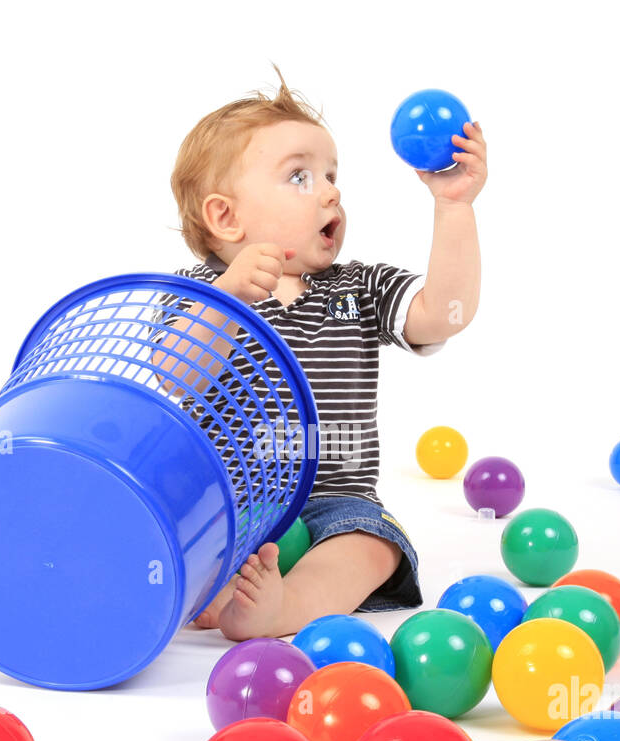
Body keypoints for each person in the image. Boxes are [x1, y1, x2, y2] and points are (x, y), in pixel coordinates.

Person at [165, 69, 487, 641]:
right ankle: (214, 583)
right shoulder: (196, 295)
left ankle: (278, 609)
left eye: (332, 176)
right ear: (225, 217)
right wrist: (229, 297)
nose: (330, 191)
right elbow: (174, 374)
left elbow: (445, 314)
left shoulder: (358, 287)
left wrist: (453, 207)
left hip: (334, 503)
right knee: (176, 525)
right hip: (230, 504)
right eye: (299, 176)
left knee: (373, 545)